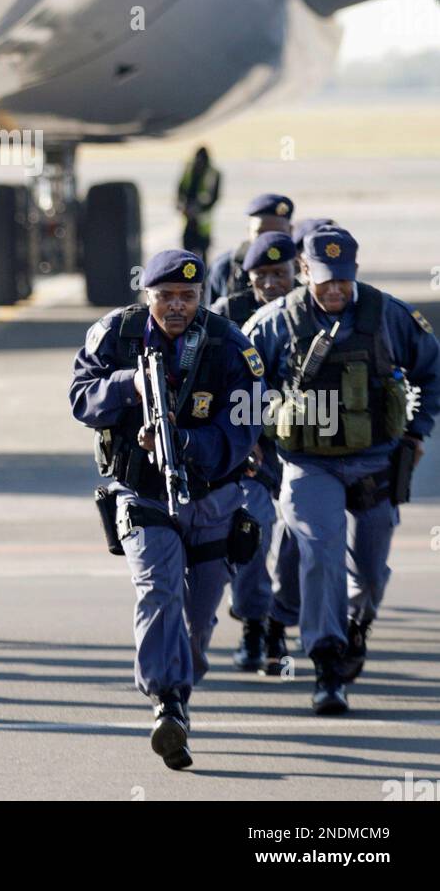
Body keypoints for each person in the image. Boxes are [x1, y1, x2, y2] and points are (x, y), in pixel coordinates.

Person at [70, 249, 260, 769]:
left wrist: (188, 444)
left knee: (197, 622)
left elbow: (245, 423)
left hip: (212, 496)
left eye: (187, 296)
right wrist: (128, 387)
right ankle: (166, 703)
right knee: (158, 589)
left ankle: (182, 681)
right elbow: (79, 397)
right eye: (165, 296)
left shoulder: (228, 344)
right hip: (143, 492)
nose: (176, 306)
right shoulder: (115, 335)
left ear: (200, 297)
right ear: (146, 294)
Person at [246, 228, 440, 714]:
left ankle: (357, 626)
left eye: (344, 281)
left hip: (376, 461)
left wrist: (417, 433)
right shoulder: (274, 323)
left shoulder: (386, 315)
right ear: (306, 271)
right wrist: (251, 443)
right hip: (309, 465)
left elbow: (431, 370)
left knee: (370, 572)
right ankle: (327, 665)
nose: (335, 290)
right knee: (319, 554)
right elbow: (239, 379)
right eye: (325, 280)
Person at [213, 231, 299, 673]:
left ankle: (279, 623)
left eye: (279, 273)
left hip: (306, 449)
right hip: (251, 452)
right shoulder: (227, 318)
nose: (270, 283)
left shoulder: (313, 313)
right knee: (250, 531)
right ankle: (251, 621)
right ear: (247, 278)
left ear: (296, 272)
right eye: (260, 275)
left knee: (299, 538)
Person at [205, 193, 293, 304]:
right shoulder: (226, 267)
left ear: (290, 231)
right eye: (260, 233)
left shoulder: (303, 265)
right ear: (248, 231)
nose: (269, 239)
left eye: (277, 233)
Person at [175, 148, 221, 260]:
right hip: (188, 219)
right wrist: (182, 206)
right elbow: (180, 189)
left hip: (202, 220)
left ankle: (203, 275)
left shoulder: (212, 174)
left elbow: (214, 197)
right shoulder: (189, 170)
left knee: (203, 253)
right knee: (186, 253)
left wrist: (198, 210)